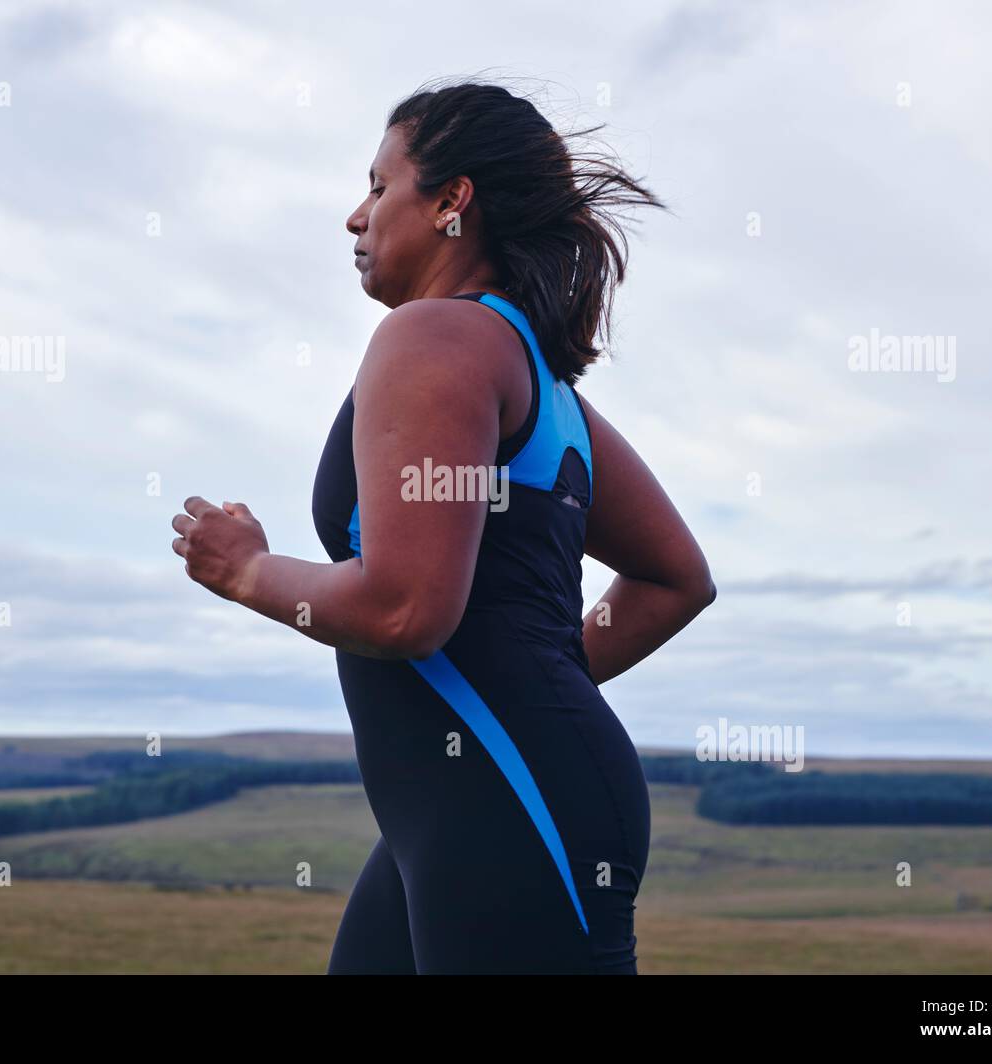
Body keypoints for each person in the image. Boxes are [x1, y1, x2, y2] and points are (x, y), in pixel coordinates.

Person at [170, 78, 716, 974]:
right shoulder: (540, 379)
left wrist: (248, 571)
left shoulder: (435, 339)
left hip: (511, 805)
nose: (356, 216)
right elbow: (674, 581)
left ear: (453, 200)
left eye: (380, 187)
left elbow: (403, 609)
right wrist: (543, 679)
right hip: (476, 802)